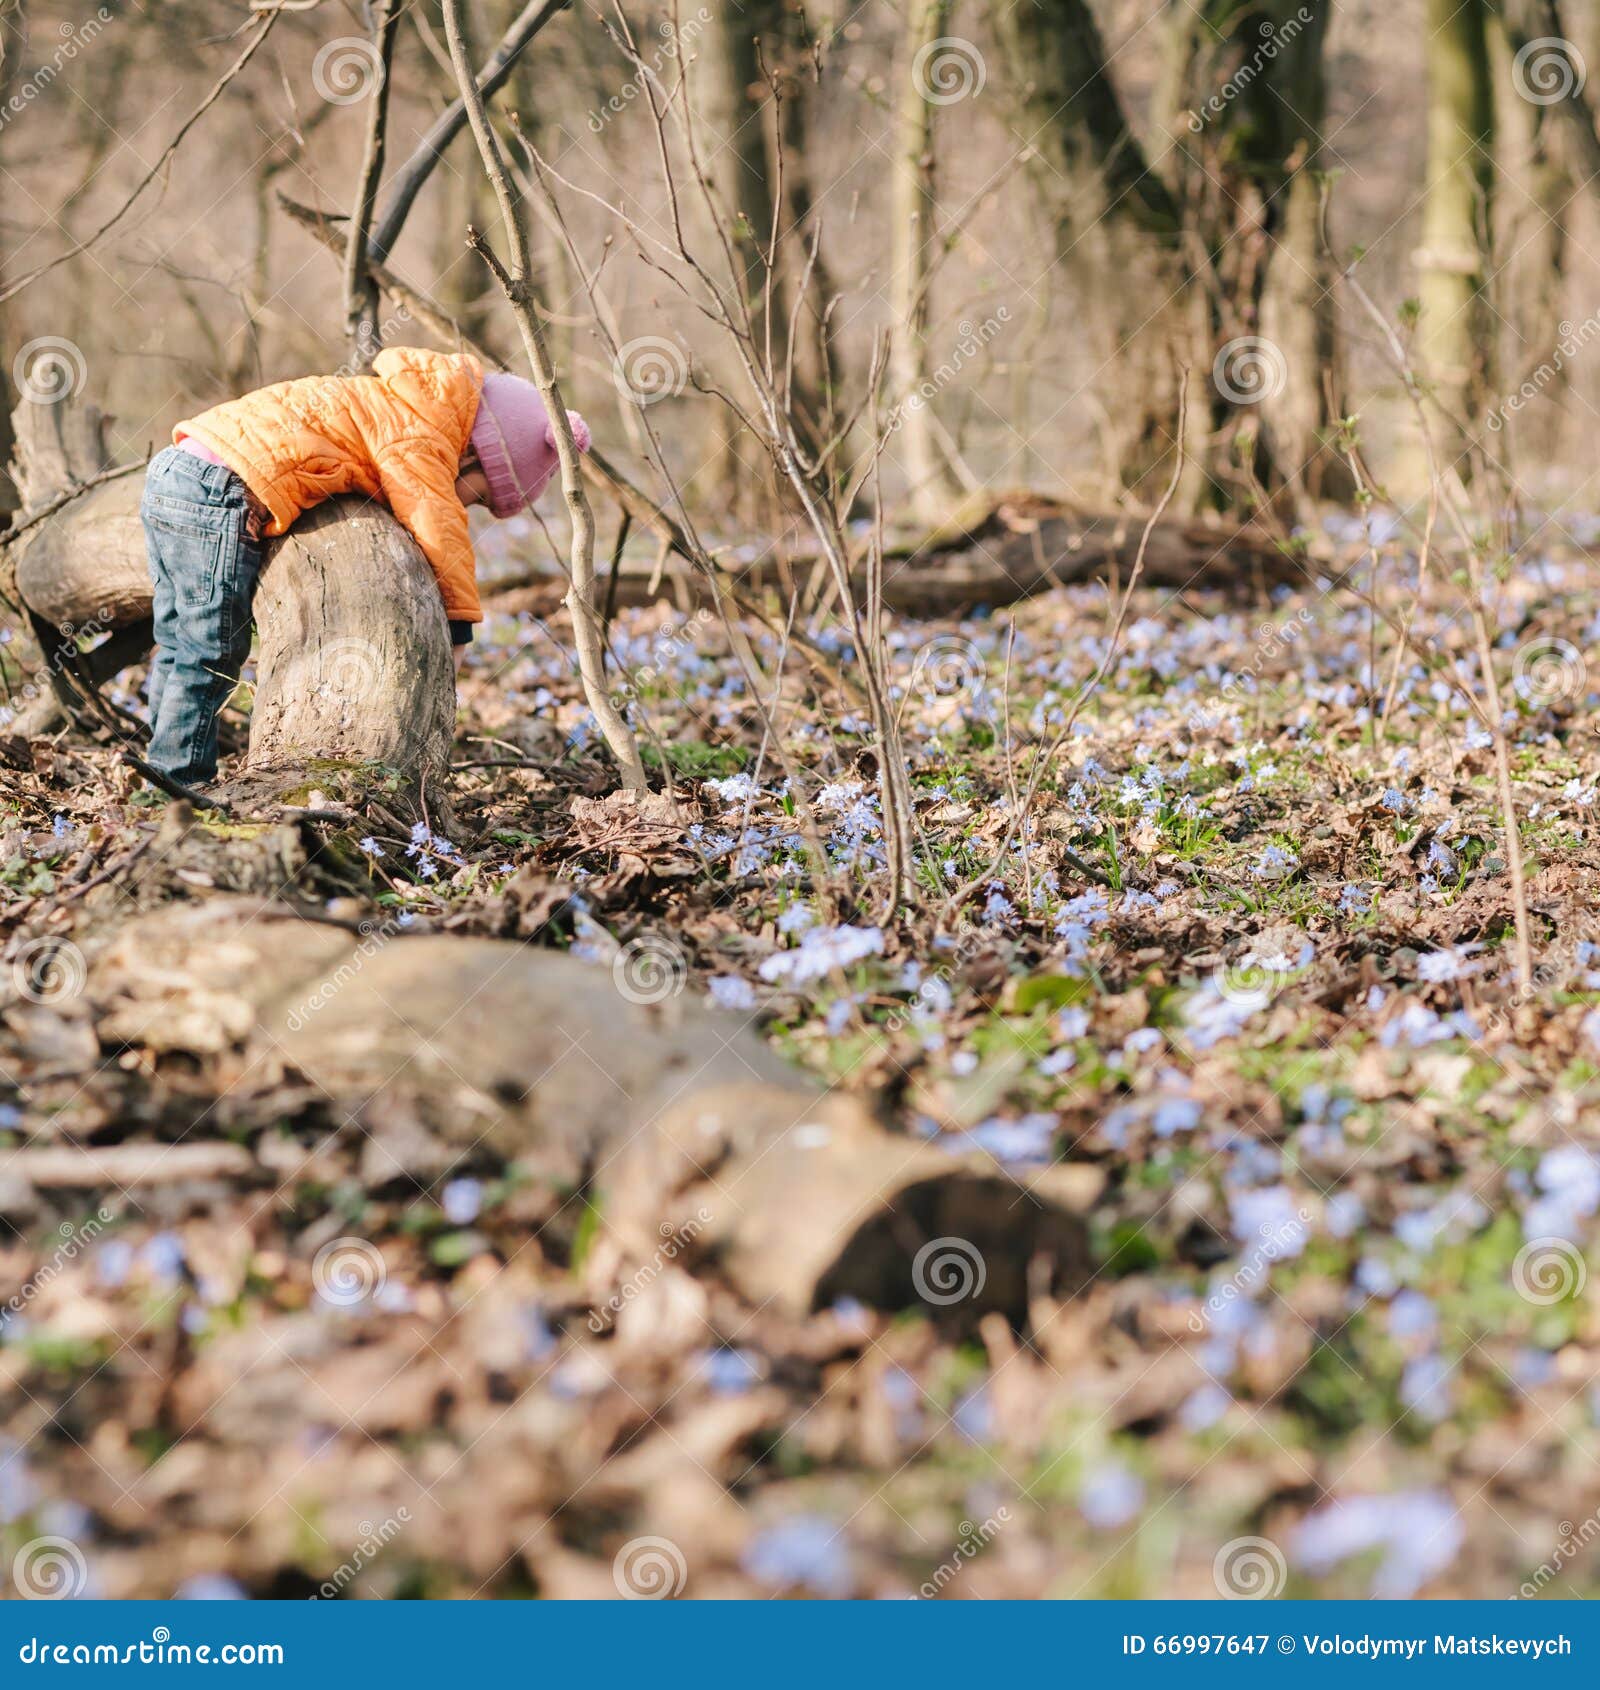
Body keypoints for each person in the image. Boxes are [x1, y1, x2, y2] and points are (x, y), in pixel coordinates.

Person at [139, 346, 588, 784]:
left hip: (176, 468)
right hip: (220, 491)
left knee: (179, 641)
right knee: (211, 649)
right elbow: (436, 518)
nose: (468, 505)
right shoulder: (422, 432)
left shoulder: (401, 400)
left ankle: (157, 774)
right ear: (474, 454)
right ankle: (180, 782)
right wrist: (459, 623)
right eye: (483, 495)